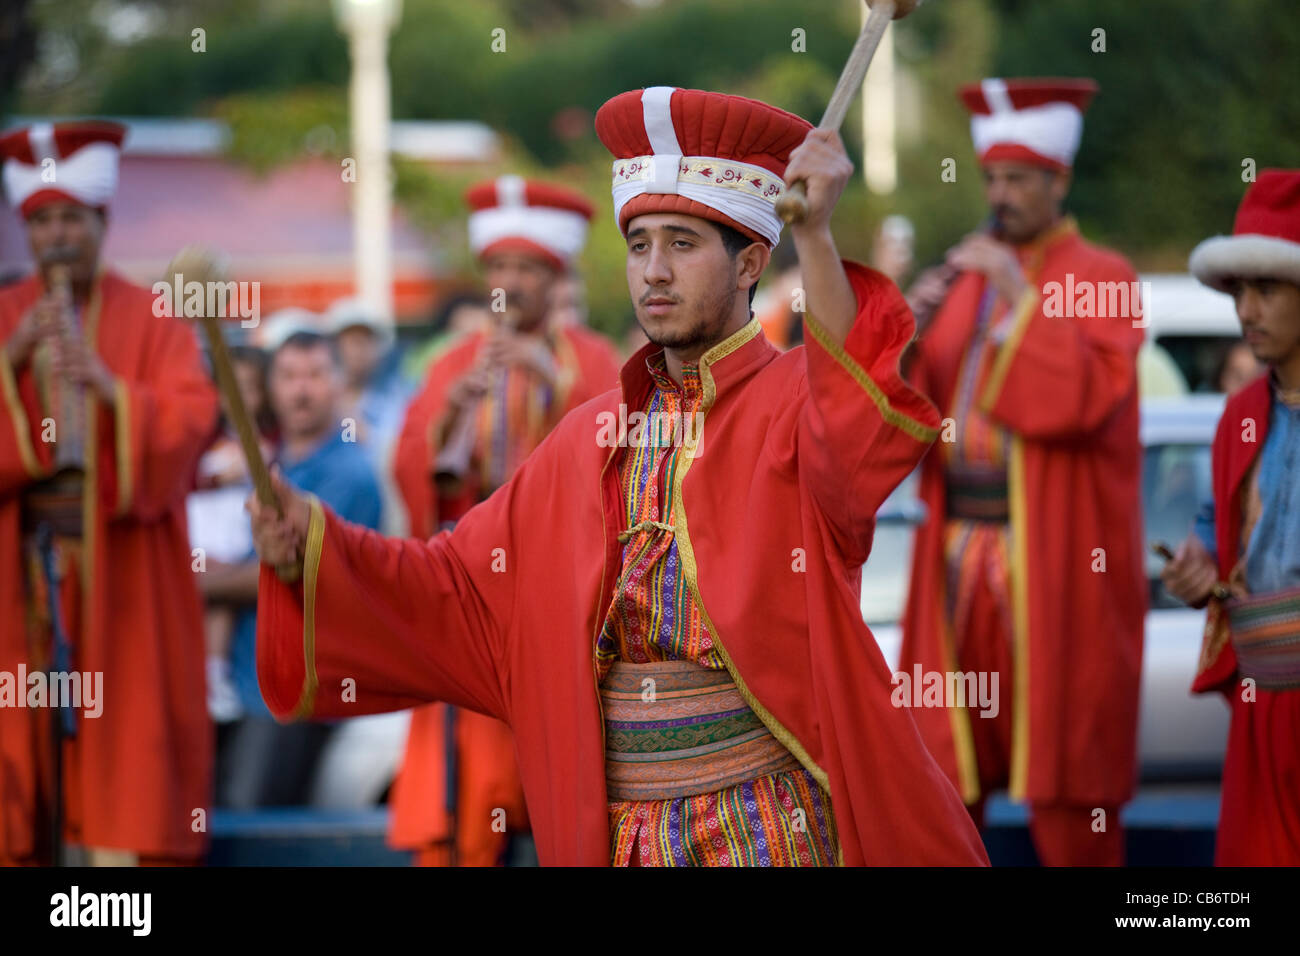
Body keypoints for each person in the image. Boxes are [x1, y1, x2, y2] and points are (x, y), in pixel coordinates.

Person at [251, 86, 989, 867]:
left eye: (682, 243)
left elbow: (856, 419)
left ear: (748, 262)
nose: (654, 272)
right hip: (624, 833)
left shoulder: (789, 405)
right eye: (639, 245)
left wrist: (816, 238)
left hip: (768, 822)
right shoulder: (590, 436)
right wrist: (314, 543)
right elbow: (457, 584)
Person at [899, 78, 1146, 865]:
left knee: (1068, 771)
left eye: (1020, 180)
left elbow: (1083, 398)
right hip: (957, 555)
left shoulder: (1103, 273)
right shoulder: (964, 277)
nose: (1001, 196)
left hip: (1058, 565)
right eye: (994, 180)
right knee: (943, 764)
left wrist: (1019, 297)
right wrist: (909, 328)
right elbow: (903, 409)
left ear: (1059, 182)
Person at [0, 121, 218, 865]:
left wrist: (109, 389)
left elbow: (192, 418)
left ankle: (113, 889)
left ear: (102, 222)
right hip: (24, 569)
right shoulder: (7, 315)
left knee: (128, 748)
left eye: (71, 219)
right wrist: (13, 361)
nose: (57, 236)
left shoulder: (153, 312)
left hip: (125, 571)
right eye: (42, 221)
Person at [388, 177, 621, 866]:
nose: (508, 282)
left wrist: (552, 380)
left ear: (556, 278)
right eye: (498, 268)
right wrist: (450, 415)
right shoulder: (454, 362)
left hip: (558, 593)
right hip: (471, 590)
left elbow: (617, 439)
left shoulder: (594, 357)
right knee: (469, 771)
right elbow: (412, 465)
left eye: (525, 269)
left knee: (556, 769)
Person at [1162, 169, 1300, 865]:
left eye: (1267, 288)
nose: (1247, 309)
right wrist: (1198, 569)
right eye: (1239, 290)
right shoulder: (1241, 416)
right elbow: (1218, 529)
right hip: (1259, 706)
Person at [215, 331, 383, 808]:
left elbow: (288, 568)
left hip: (298, 694)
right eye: (288, 376)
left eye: (314, 375)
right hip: (246, 684)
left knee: (259, 836)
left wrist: (192, 584)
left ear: (337, 384)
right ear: (271, 388)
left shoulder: (349, 472)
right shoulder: (273, 465)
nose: (301, 390)